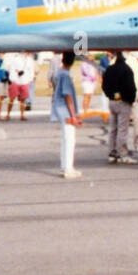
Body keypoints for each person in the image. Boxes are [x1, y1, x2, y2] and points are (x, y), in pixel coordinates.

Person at [101, 51, 138, 164]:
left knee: (113, 129)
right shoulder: (127, 70)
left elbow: (104, 85)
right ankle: (123, 153)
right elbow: (131, 87)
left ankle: (112, 152)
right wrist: (130, 100)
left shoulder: (109, 69)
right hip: (124, 102)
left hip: (112, 101)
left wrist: (110, 95)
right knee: (123, 129)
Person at [51, 51, 82, 179]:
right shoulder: (66, 76)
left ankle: (64, 166)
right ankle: (69, 168)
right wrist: (74, 115)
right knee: (70, 140)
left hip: (59, 108)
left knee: (64, 139)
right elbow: (68, 95)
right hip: (66, 111)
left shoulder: (58, 73)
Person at [5, 51, 36, 121]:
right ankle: (8, 114)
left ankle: (22, 114)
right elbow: (12, 70)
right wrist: (13, 79)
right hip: (16, 80)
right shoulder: (15, 59)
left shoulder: (30, 60)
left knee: (23, 99)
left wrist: (30, 79)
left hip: (25, 81)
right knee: (12, 98)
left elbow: (31, 71)